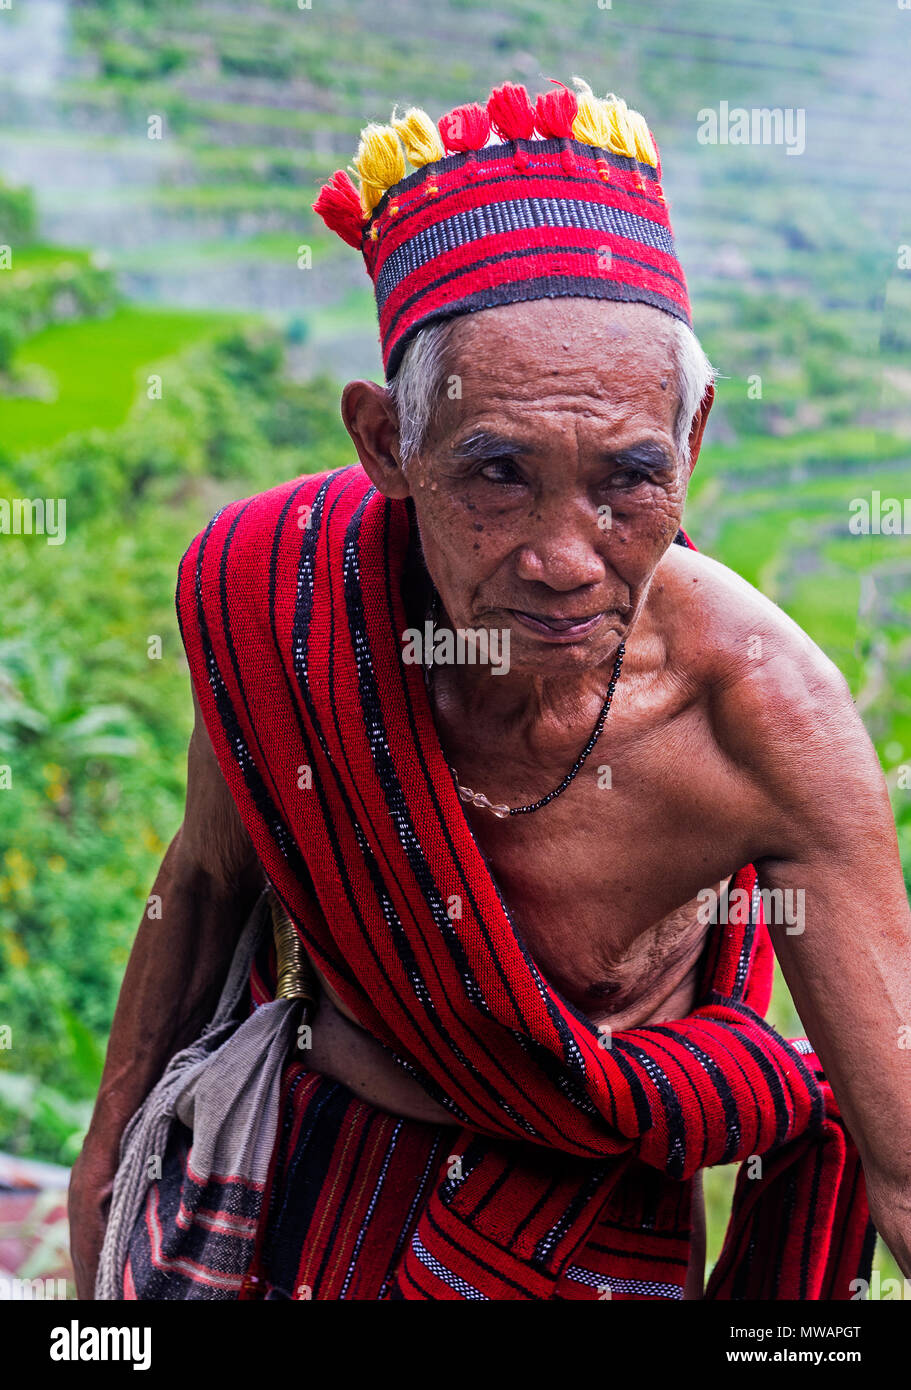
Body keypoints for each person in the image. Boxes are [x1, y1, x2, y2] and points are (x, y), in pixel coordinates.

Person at [71, 79, 911, 1301]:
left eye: (627, 482)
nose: (565, 559)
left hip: (580, 1240)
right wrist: (106, 1175)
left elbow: (898, 1158)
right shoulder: (286, 605)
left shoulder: (763, 717)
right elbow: (205, 878)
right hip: (310, 1183)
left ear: (693, 443)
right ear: (383, 445)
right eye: (497, 475)